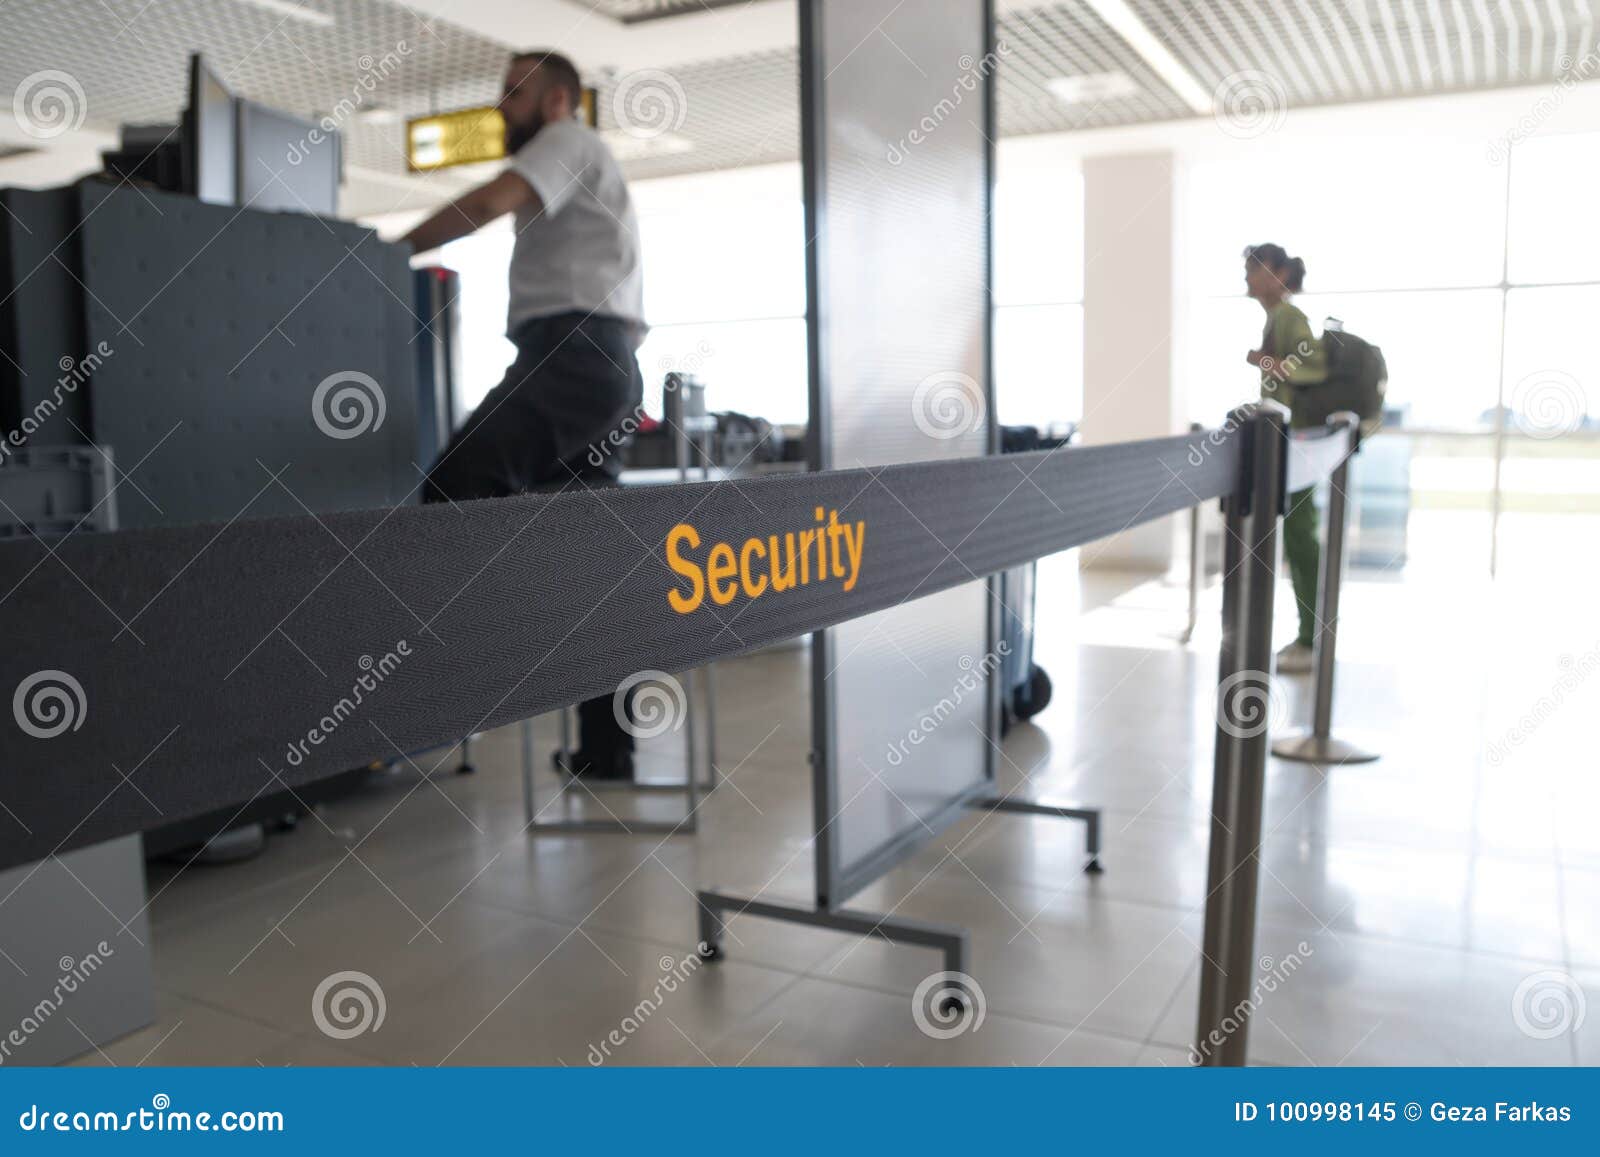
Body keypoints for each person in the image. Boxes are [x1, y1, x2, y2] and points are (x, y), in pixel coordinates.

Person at [404, 50, 646, 778]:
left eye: (515, 92)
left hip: (572, 356)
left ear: (557, 100)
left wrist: (383, 251)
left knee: (455, 488)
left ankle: (482, 671)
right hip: (597, 365)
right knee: (590, 563)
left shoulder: (567, 141)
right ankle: (608, 749)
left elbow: (483, 205)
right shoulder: (578, 154)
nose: (501, 105)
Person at [1243, 243, 1327, 676]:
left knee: (1301, 538)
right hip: (1287, 440)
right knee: (1296, 537)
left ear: (1277, 273)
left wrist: (1268, 361)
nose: (1247, 276)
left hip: (1298, 441)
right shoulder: (1277, 318)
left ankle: (1310, 639)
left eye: (1254, 268)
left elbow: (1315, 369)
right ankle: (1306, 636)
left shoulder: (1290, 317)